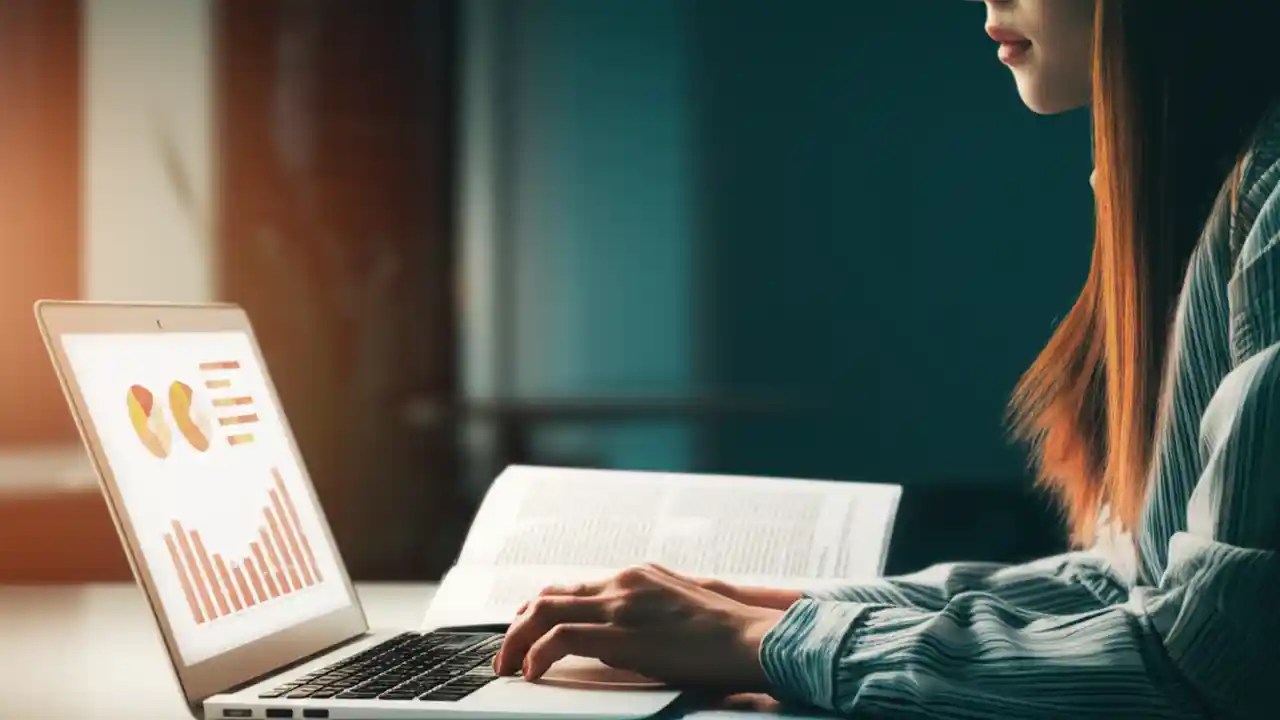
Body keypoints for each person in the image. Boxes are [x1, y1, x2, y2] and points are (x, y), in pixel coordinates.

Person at [492, 1, 1280, 716]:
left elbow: (1207, 671)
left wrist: (761, 640)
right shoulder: (1210, 181)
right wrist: (760, 607)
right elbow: (1126, 584)